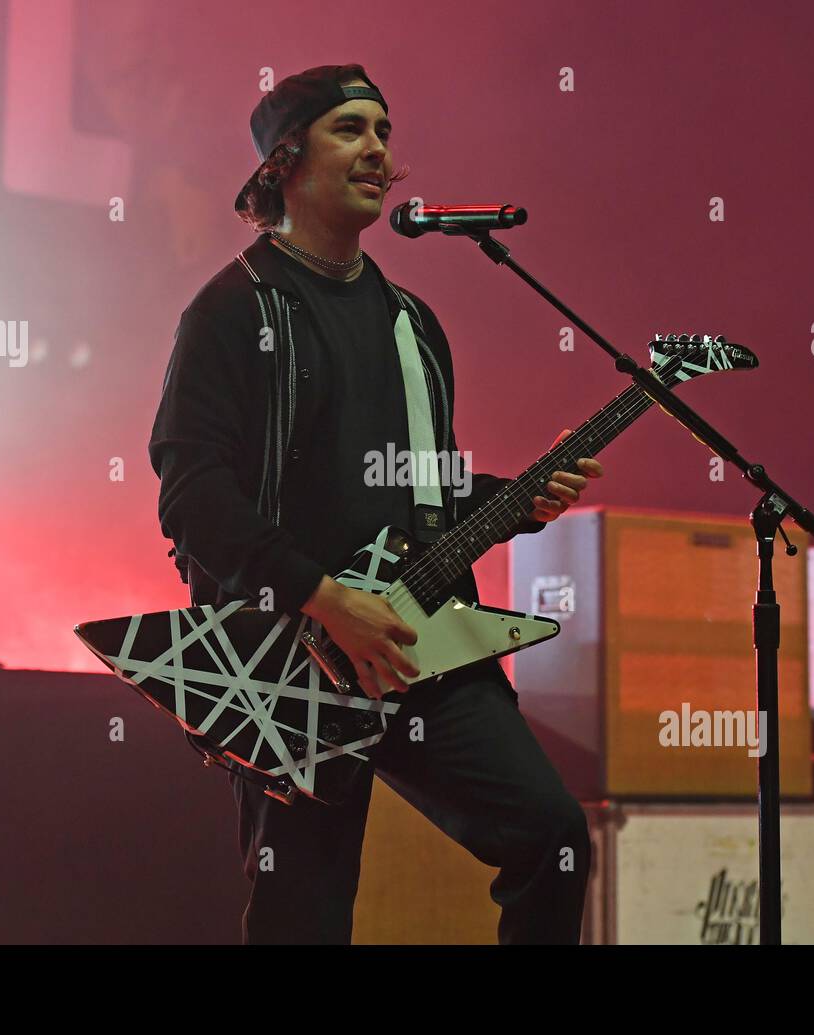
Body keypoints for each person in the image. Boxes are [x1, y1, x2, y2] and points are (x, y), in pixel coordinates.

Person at [149, 63, 605, 944]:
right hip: (294, 662)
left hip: (419, 642)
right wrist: (324, 596)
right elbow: (192, 493)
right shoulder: (232, 310)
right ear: (284, 161)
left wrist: (512, 497)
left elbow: (412, 488)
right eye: (350, 129)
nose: (378, 150)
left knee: (551, 837)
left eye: (385, 132)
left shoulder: (412, 322)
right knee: (305, 915)